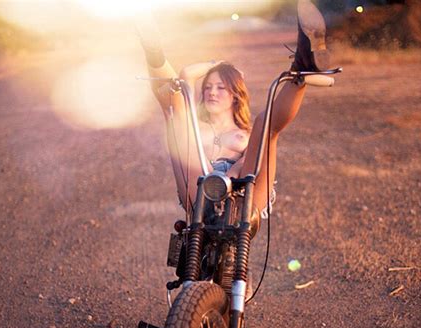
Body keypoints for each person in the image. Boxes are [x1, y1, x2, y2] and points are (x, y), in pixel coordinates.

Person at [136, 0, 330, 215]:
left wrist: (233, 173)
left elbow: (249, 161)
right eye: (208, 87)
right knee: (177, 117)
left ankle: (304, 62)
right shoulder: (195, 125)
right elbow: (185, 78)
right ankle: (153, 52)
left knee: (265, 127)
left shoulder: (246, 132)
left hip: (242, 191)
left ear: (235, 95)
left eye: (221, 87)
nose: (212, 92)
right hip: (200, 187)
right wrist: (215, 64)